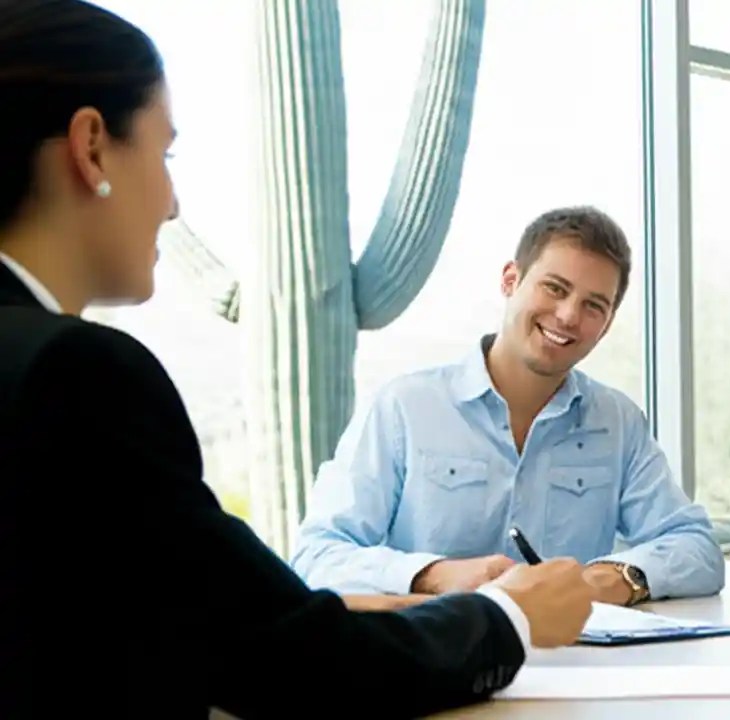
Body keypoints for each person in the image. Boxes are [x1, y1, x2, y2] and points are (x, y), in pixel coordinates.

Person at [0, 2, 594, 717]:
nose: (172, 203)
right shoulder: (75, 375)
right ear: (92, 148)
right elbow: (285, 663)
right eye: (165, 156)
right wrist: (509, 616)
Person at [290, 206, 725, 607]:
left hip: (578, 660)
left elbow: (698, 548)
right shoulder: (403, 407)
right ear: (510, 280)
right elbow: (317, 555)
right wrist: (436, 575)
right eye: (555, 288)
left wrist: (610, 579)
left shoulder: (618, 422)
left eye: (594, 306)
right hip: (437, 655)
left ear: (607, 323)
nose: (568, 316)